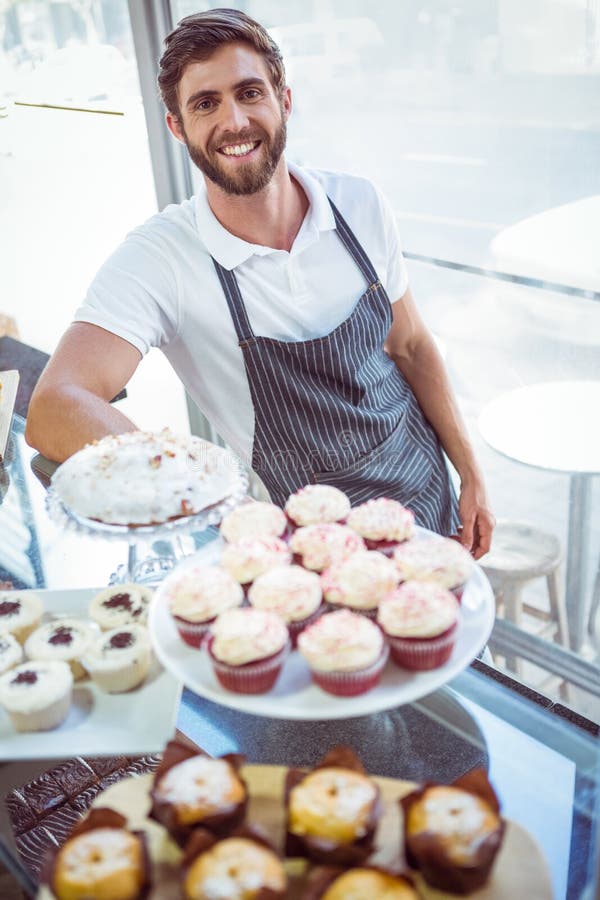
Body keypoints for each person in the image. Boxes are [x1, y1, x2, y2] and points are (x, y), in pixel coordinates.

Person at [26, 8, 494, 558]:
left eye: (249, 93)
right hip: (306, 551)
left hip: (426, 496)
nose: (235, 121)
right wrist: (195, 483)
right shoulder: (162, 258)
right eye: (206, 104)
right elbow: (55, 406)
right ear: (177, 127)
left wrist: (471, 471)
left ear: (284, 101)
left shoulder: (360, 204)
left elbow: (411, 346)